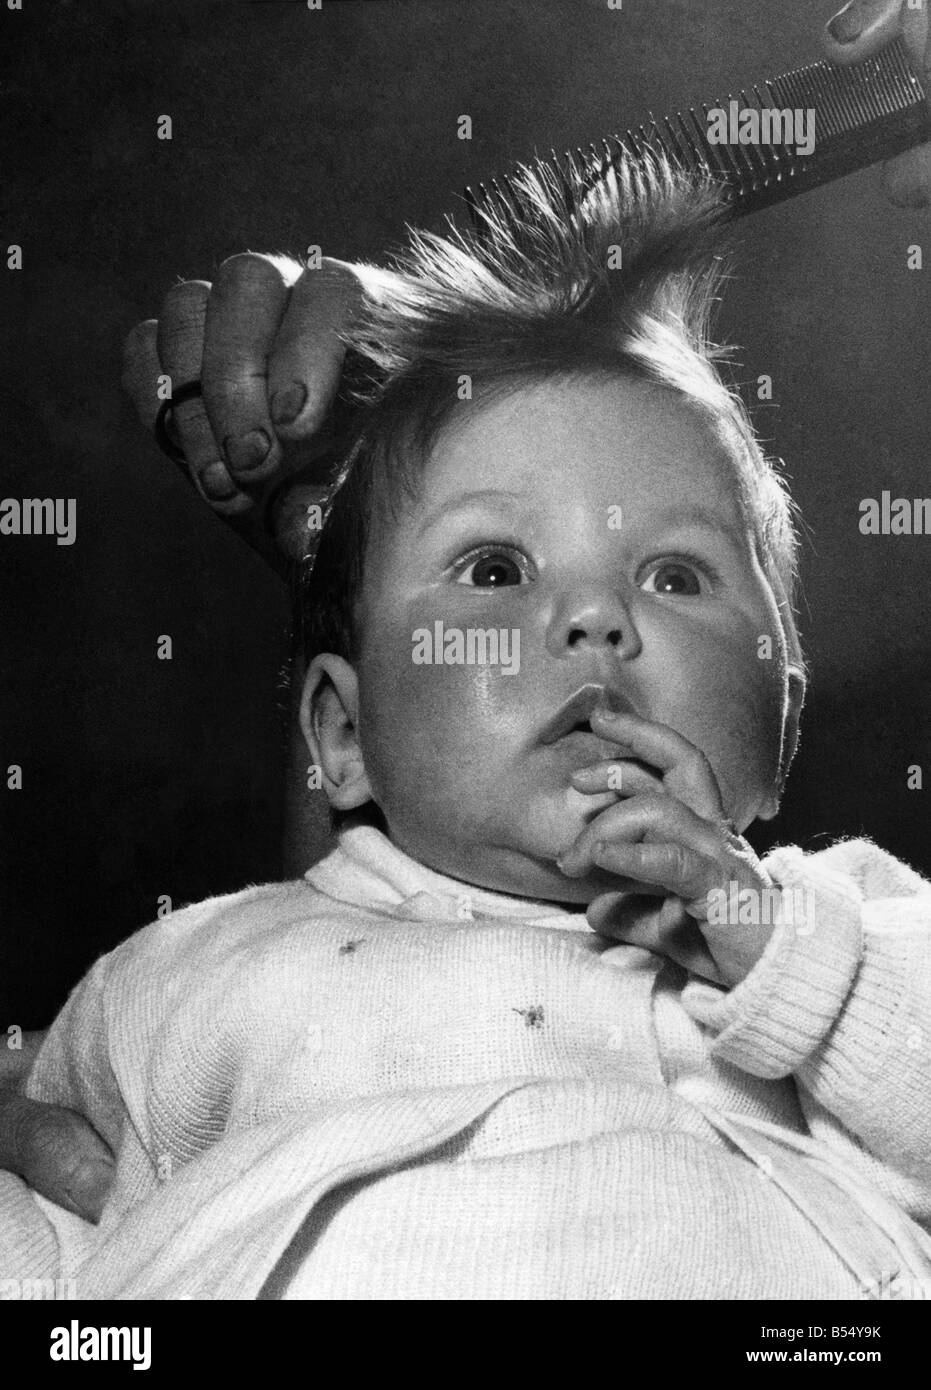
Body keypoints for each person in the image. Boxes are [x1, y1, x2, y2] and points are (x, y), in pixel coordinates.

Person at [1, 0, 929, 1272]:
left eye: (676, 573)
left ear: (786, 713)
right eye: (493, 567)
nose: (594, 618)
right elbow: (62, 1227)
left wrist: (766, 931)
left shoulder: (851, 929)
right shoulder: (192, 967)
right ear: (340, 729)